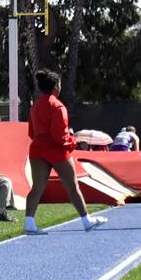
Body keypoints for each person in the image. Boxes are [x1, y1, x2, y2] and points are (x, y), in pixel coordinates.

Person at [23, 69, 106, 235]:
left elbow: (31, 132)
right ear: (56, 87)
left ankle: (29, 223)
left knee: (37, 187)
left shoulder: (35, 106)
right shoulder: (58, 106)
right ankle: (86, 221)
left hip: (38, 148)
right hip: (56, 150)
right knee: (72, 186)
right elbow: (59, 135)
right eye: (59, 84)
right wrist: (72, 142)